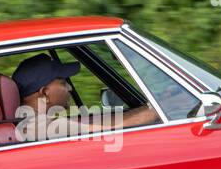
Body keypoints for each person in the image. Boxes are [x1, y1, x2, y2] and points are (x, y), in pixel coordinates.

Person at [11, 53, 157, 142]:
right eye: (63, 82)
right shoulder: (40, 126)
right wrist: (159, 109)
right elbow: (111, 128)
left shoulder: (34, 122)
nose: (69, 87)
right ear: (45, 93)